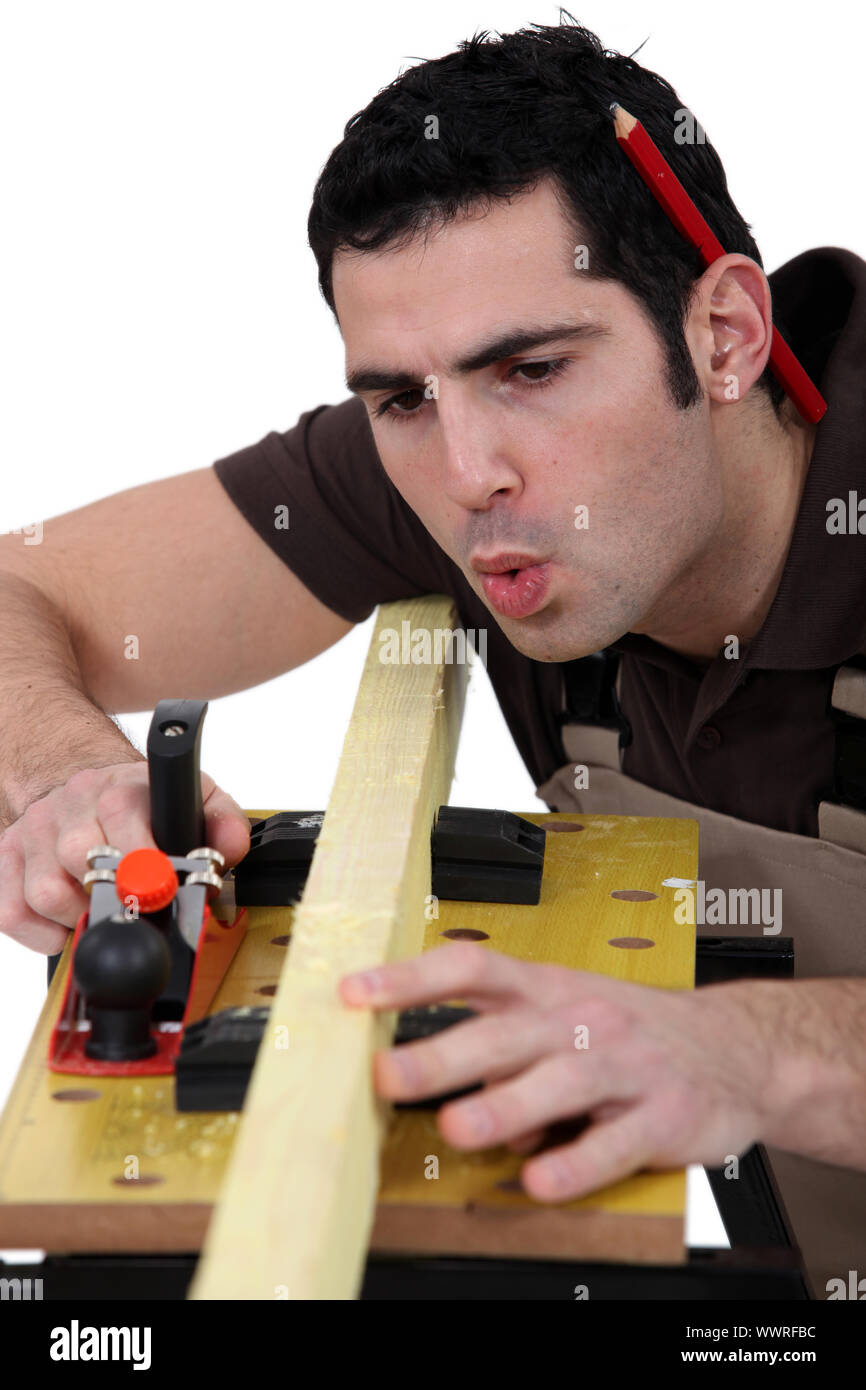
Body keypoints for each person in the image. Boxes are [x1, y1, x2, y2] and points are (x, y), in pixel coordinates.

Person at [0, 17, 863, 1296]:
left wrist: (739, 1048)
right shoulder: (441, 468)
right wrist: (73, 773)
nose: (466, 481)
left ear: (727, 334)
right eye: (402, 397)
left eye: (532, 368)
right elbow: (23, 585)